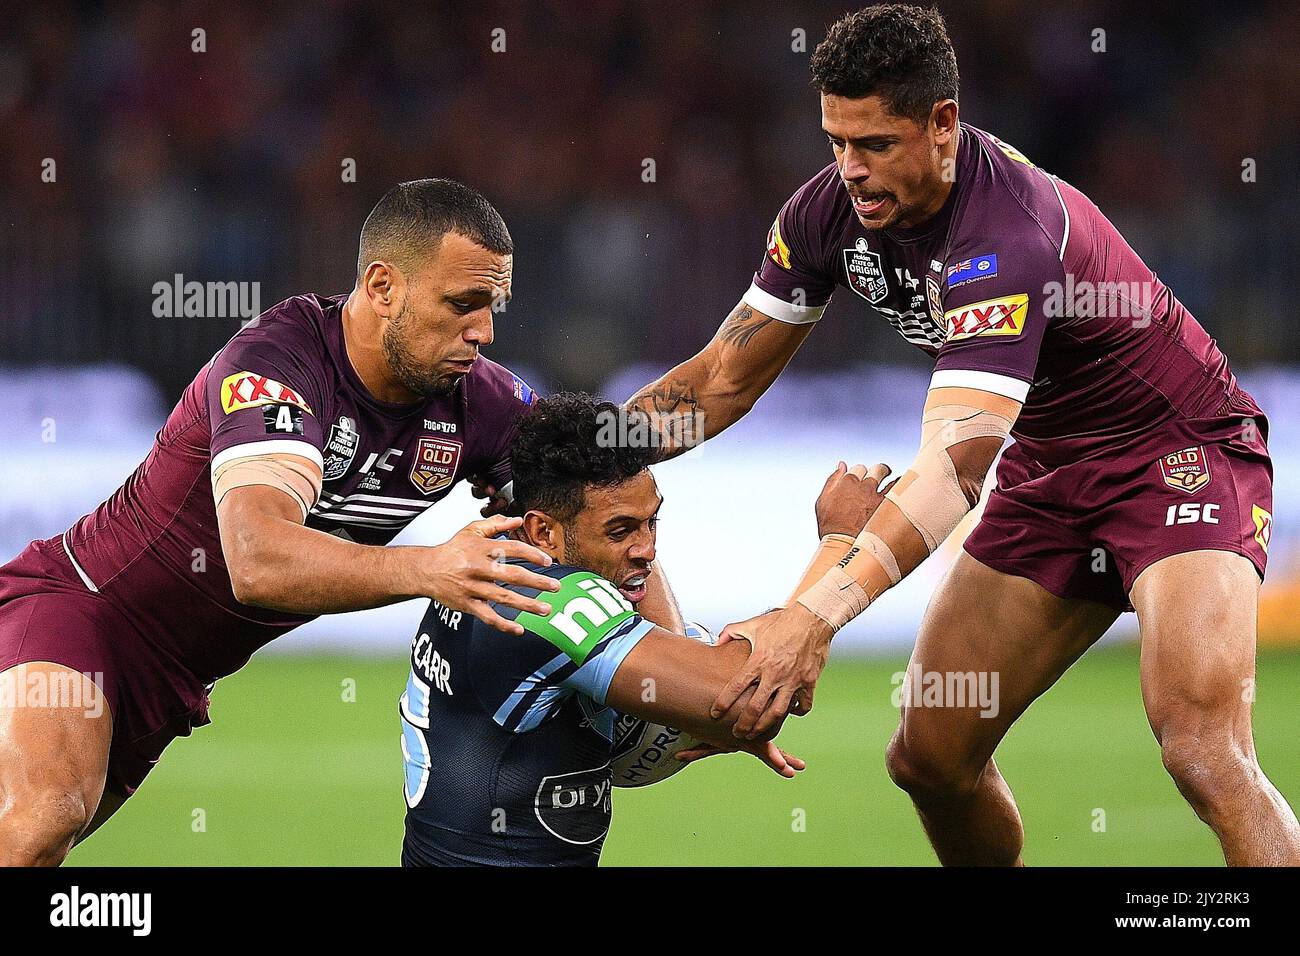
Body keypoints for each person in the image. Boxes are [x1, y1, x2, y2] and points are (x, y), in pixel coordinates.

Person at [621, 5, 1297, 865]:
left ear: (943, 124)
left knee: (1201, 750)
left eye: (875, 145)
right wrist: (584, 451)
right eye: (835, 142)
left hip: (1176, 456)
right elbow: (722, 378)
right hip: (1048, 469)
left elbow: (950, 470)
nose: (850, 172)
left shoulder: (1005, 230)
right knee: (931, 758)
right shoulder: (825, 214)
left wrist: (810, 618)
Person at [0, 178, 566, 865]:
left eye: (492, 306)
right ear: (383, 286)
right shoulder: (276, 363)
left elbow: (599, 476)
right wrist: (430, 567)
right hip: (79, 607)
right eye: (462, 304)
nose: (485, 331)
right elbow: (257, 559)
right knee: (40, 822)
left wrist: (694, 671)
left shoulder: (477, 402)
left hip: (177, 681)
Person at [403, 392, 886, 865]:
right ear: (544, 532)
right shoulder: (548, 601)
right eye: (620, 531)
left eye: (651, 523)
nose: (647, 549)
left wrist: (689, 707)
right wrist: (841, 545)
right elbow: (750, 693)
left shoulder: (494, 568)